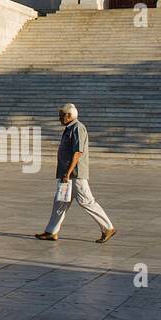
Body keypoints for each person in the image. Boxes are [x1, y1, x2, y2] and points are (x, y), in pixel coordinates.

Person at [36, 103, 116, 243]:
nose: (60, 118)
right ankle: (51, 231)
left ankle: (107, 228)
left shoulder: (78, 128)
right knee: (60, 202)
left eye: (62, 115)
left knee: (86, 201)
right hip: (68, 174)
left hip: (75, 174)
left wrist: (68, 172)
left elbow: (78, 152)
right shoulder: (69, 129)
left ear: (69, 116)